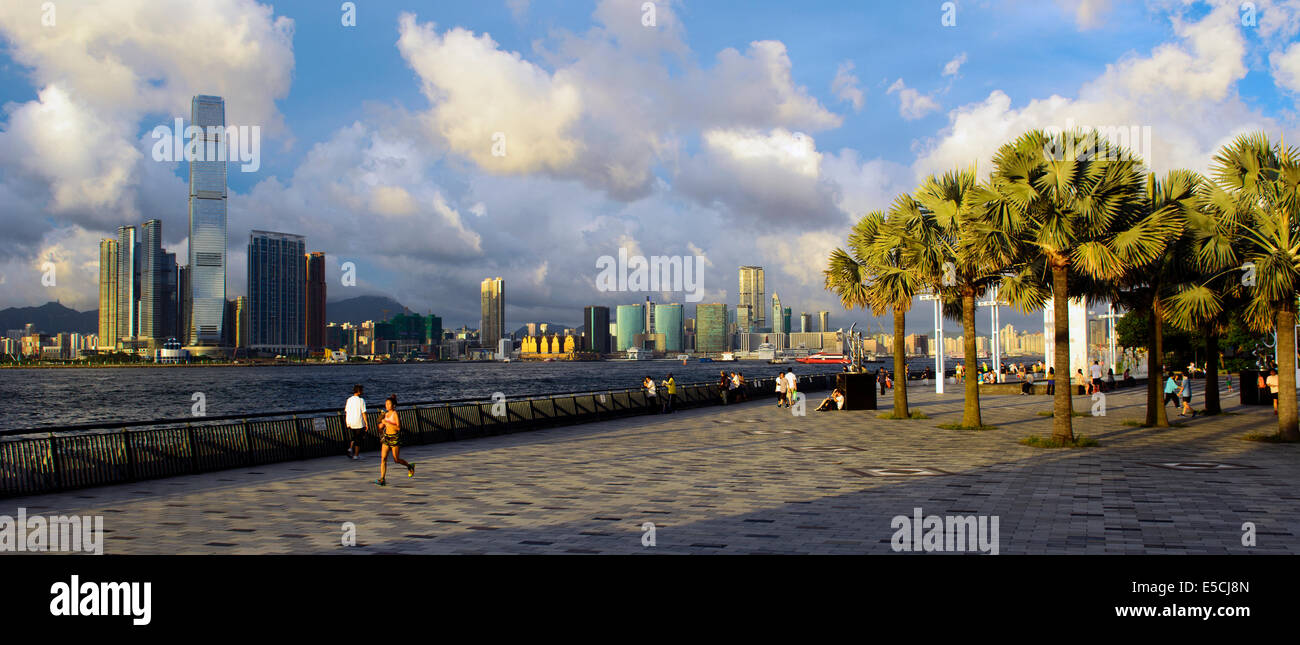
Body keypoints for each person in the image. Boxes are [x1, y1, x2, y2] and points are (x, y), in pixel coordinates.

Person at [375, 395, 413, 486]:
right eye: (386, 404)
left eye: (389, 404)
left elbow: (398, 428)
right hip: (386, 437)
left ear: (393, 405)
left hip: (394, 438)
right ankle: (382, 479)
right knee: (383, 458)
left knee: (396, 459)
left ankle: (409, 466)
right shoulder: (385, 414)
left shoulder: (395, 414)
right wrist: (381, 427)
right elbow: (381, 426)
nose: (387, 405)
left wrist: (387, 423)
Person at [344, 384, 369, 460]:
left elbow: (346, 411)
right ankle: (356, 455)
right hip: (359, 422)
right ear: (359, 391)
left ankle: (350, 448)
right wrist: (366, 423)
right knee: (358, 439)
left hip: (351, 421)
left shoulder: (349, 399)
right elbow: (363, 412)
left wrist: (347, 422)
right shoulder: (361, 400)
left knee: (354, 436)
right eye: (361, 390)